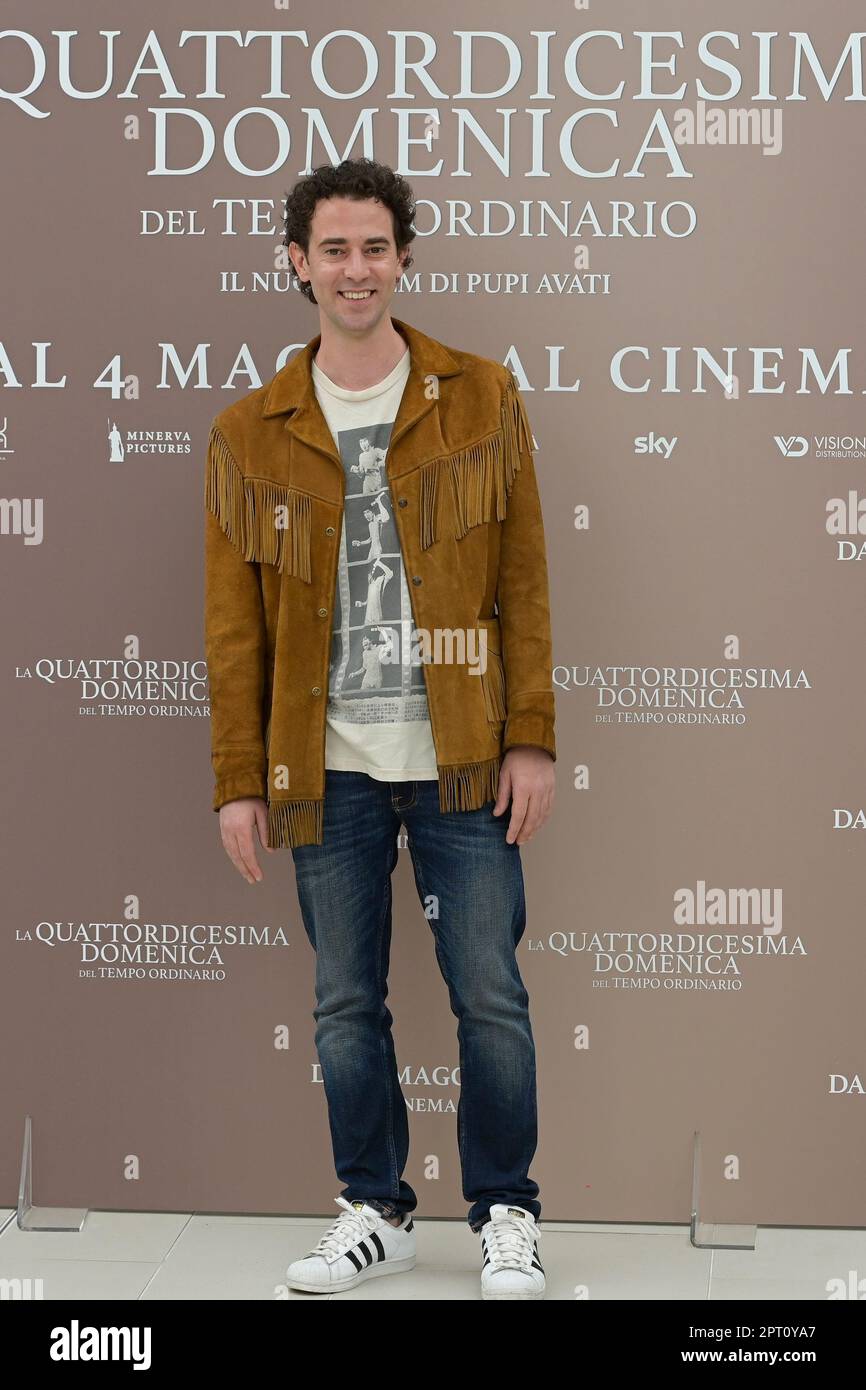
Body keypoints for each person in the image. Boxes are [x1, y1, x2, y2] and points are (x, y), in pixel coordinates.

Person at [203, 158, 556, 1300]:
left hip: (460, 752)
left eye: (374, 247)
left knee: (487, 992)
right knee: (345, 1000)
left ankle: (505, 1209)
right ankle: (374, 1209)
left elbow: (523, 580)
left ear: (403, 256)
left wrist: (530, 735)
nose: (354, 269)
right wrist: (237, 778)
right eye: (333, 248)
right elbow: (235, 630)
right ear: (294, 262)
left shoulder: (481, 394)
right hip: (326, 764)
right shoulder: (250, 432)